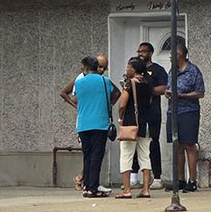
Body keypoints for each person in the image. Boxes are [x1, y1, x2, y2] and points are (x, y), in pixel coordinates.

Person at [61, 53, 119, 192]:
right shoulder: (105, 81)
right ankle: (93, 186)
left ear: (86, 69)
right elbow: (117, 92)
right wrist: (109, 104)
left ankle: (87, 185)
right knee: (96, 156)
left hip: (83, 123)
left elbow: (74, 97)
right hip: (100, 123)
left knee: (87, 155)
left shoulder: (79, 82)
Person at [165, 39, 205, 193]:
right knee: (177, 145)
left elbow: (200, 93)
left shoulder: (193, 71)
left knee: (189, 145)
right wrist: (168, 93)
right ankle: (180, 180)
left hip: (188, 112)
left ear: (180, 54)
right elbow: (169, 88)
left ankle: (192, 180)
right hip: (173, 111)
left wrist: (182, 95)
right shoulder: (172, 71)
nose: (170, 57)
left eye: (172, 54)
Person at [131, 42, 167, 189]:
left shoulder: (158, 70)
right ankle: (133, 177)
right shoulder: (134, 69)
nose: (141, 54)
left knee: (153, 142)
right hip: (136, 112)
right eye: (139, 51)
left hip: (153, 112)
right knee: (134, 141)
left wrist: (148, 90)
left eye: (144, 51)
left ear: (151, 53)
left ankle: (157, 177)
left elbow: (164, 88)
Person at [116, 57, 153, 199]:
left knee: (126, 155)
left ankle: (126, 190)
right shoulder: (148, 82)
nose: (126, 69)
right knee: (145, 155)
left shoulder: (129, 83)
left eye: (128, 67)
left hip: (130, 123)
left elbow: (122, 104)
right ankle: (145, 189)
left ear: (134, 69)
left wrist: (120, 117)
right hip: (144, 123)